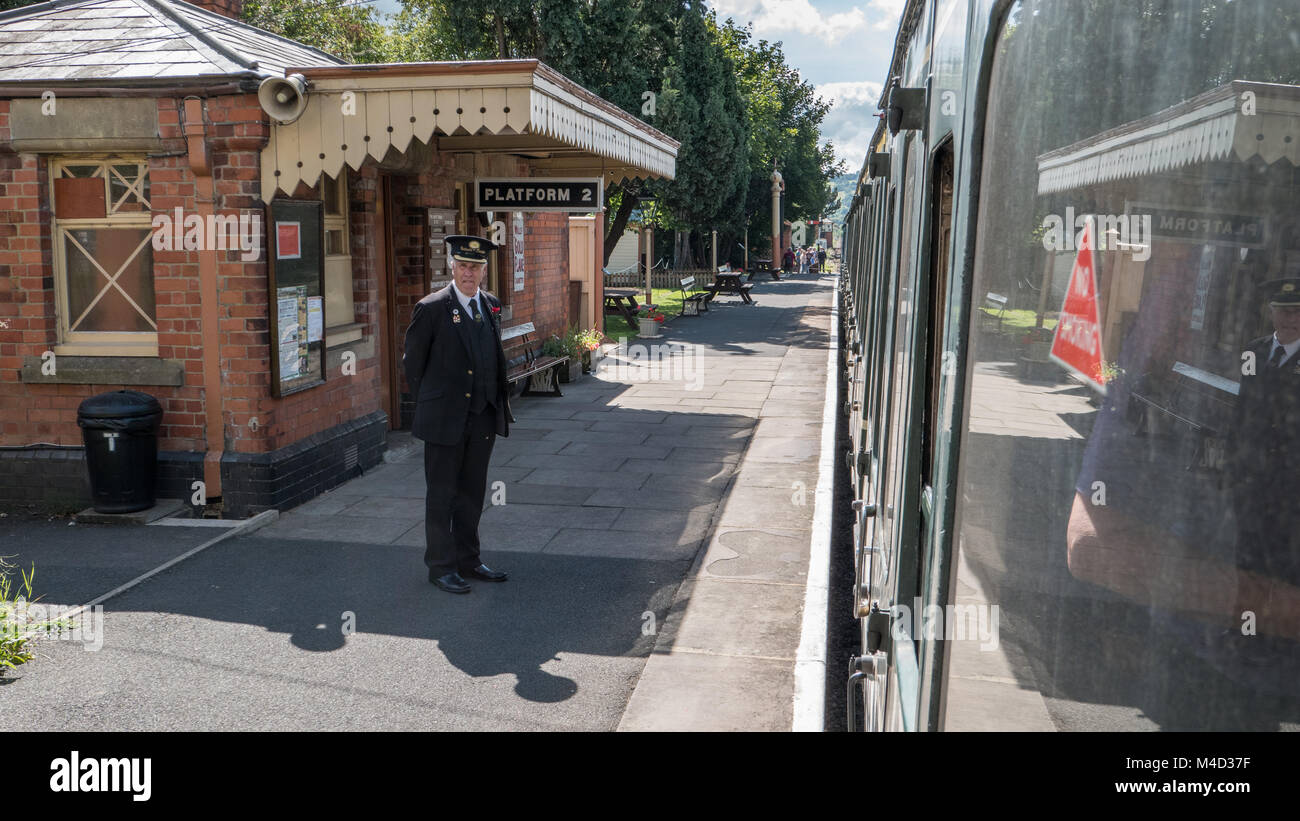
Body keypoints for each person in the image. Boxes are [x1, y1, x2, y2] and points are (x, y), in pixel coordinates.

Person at [403, 235, 513, 594]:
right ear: (452, 266)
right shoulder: (432, 308)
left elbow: (492, 355)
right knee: (442, 495)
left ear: (484, 270)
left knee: (471, 493)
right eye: (464, 266)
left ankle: (469, 558)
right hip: (444, 421)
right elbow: (413, 366)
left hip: (481, 416)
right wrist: (432, 407)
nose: (470, 273)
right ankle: (441, 566)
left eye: (476, 266)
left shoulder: (490, 304)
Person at [1229, 277, 1300, 589]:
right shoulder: (1253, 351)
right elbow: (1242, 408)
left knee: (1284, 556)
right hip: (1253, 474)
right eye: (1283, 311)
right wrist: (1232, 461)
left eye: (1298, 311)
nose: (1291, 319)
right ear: (1272, 313)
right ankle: (1245, 622)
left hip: (1291, 480)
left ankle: (1278, 629)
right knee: (1247, 552)